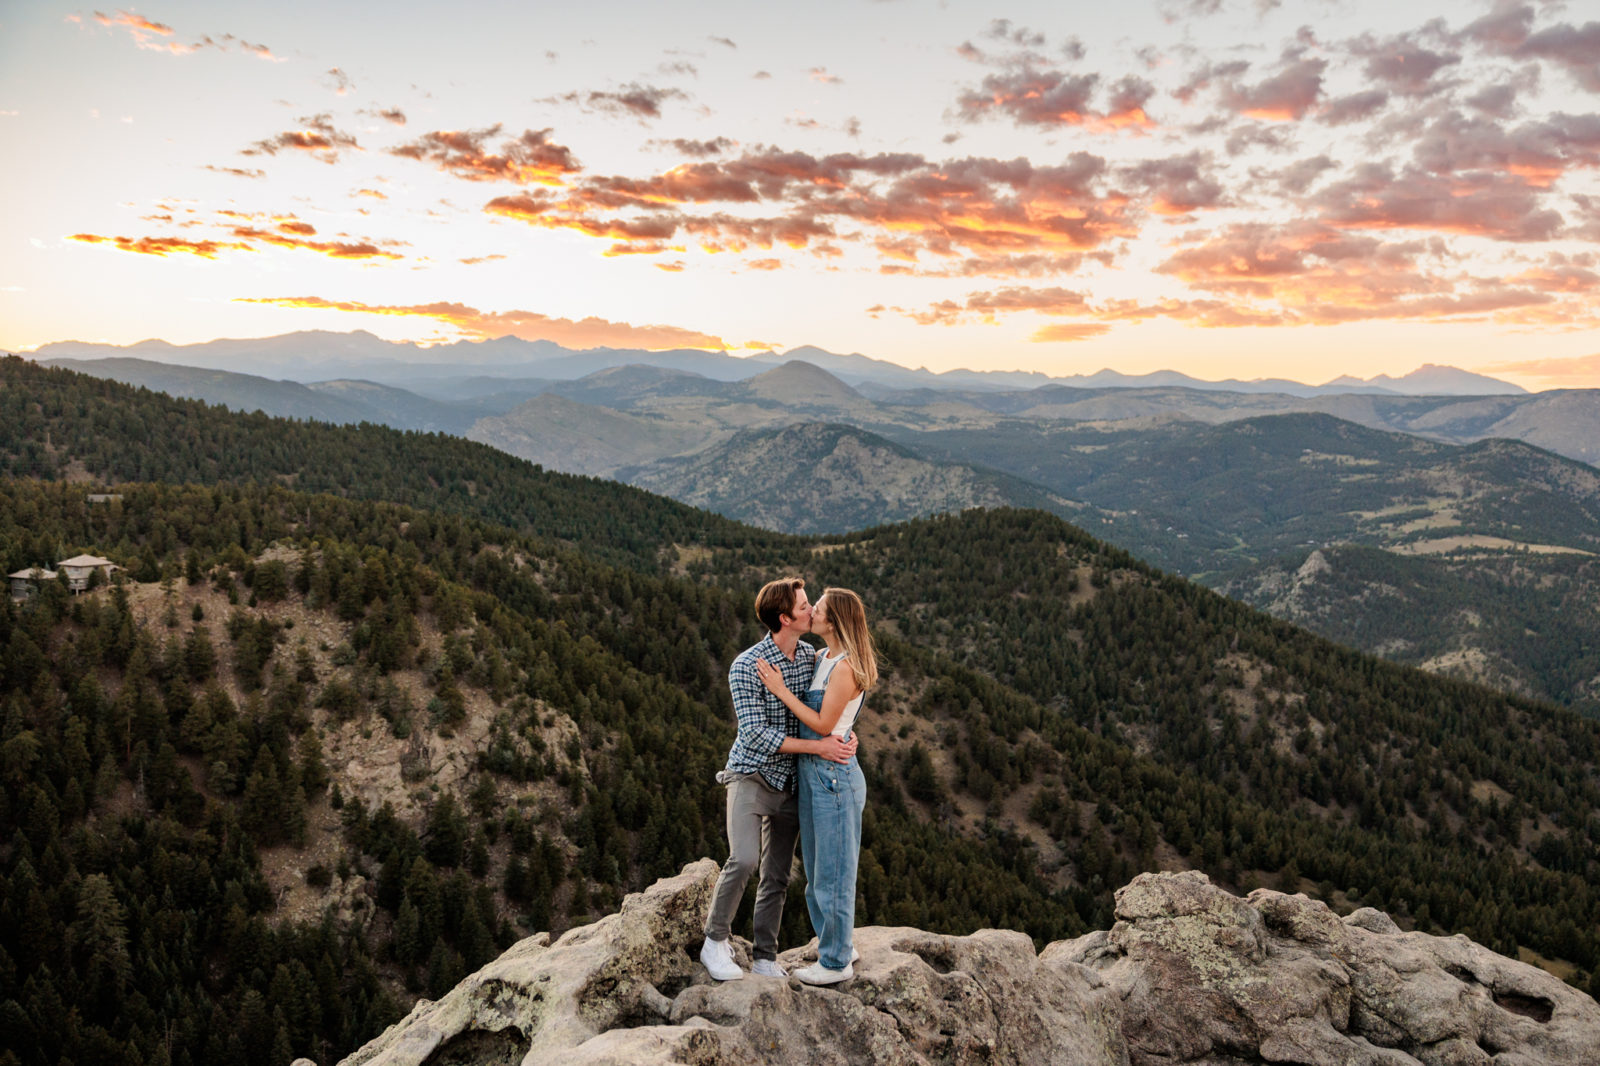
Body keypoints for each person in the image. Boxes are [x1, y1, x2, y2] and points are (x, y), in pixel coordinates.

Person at [700, 577, 858, 982]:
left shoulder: (810, 657)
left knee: (778, 874)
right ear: (785, 618)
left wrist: (843, 733)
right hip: (750, 774)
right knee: (744, 859)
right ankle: (714, 941)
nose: (811, 610)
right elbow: (755, 734)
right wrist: (819, 748)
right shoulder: (746, 666)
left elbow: (834, 701)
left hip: (791, 781)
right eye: (805, 606)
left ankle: (766, 956)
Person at [755, 586, 875, 986]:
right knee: (817, 872)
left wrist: (780, 690)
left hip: (834, 777)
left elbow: (824, 726)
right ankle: (837, 942)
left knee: (833, 873)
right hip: (813, 772)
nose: (812, 612)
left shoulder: (845, 666)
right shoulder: (821, 656)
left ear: (835, 620)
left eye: (819, 608)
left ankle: (836, 961)